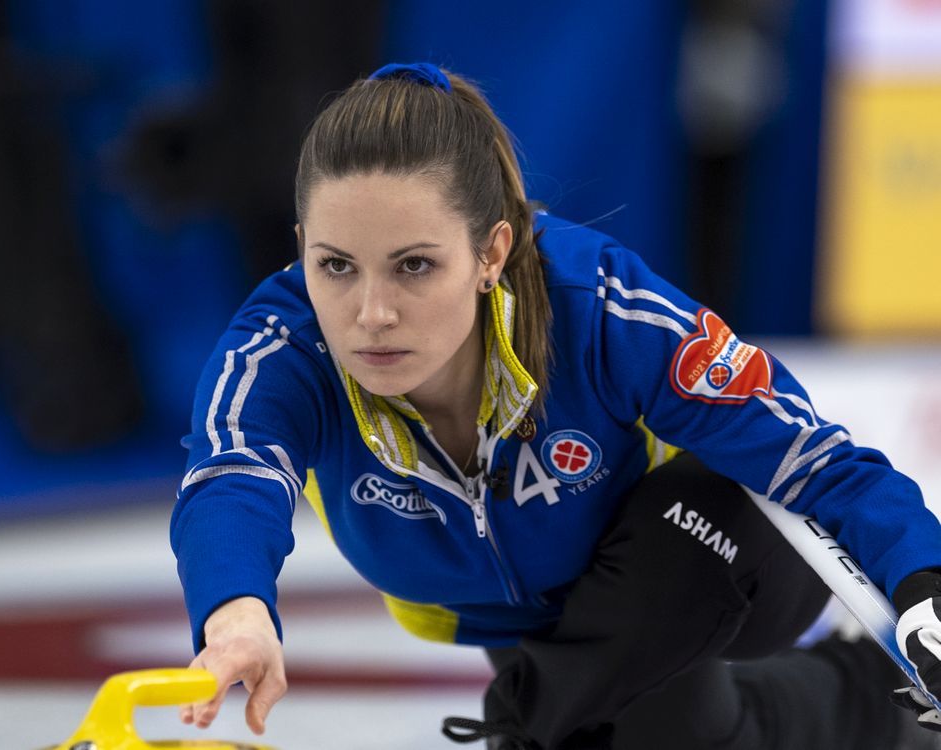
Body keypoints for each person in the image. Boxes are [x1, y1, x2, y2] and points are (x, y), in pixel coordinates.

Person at [169, 62, 941, 749]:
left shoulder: (596, 306)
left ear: (492, 253)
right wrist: (234, 609)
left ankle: (524, 729)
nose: (371, 312)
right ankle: (873, 696)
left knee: (653, 577)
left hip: (720, 552)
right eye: (335, 265)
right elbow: (233, 478)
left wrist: (923, 586)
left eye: (413, 266)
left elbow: (813, 459)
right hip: (533, 620)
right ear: (302, 245)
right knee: (678, 733)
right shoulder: (281, 349)